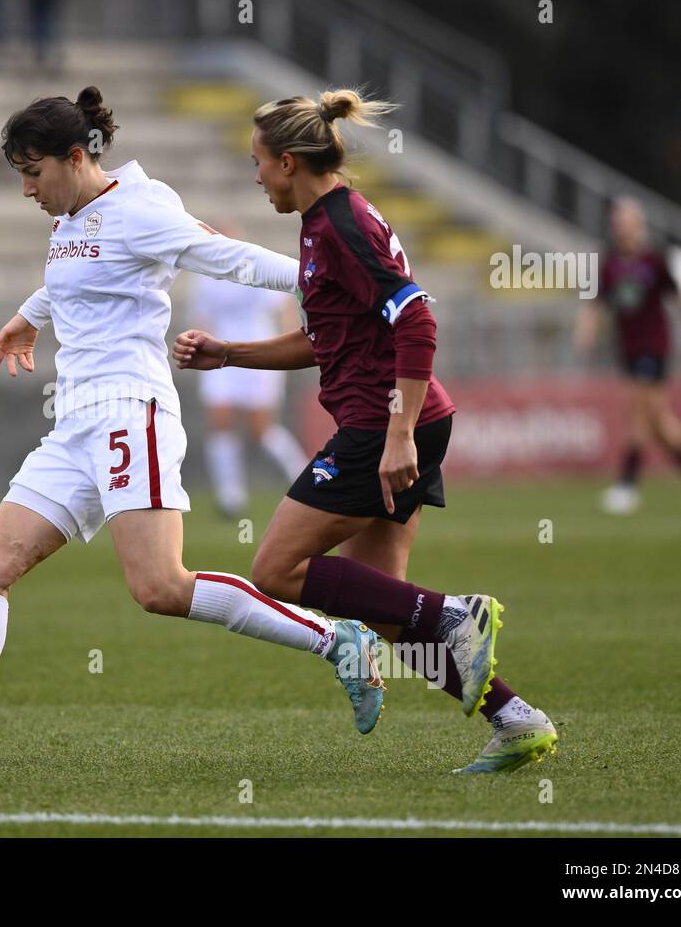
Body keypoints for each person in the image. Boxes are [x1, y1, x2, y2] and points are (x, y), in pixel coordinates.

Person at [0, 86, 392, 769]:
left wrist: (322, 280)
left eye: (34, 173)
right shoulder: (72, 215)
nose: (27, 190)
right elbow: (73, 272)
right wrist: (31, 313)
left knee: (160, 588)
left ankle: (337, 641)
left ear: (75, 155)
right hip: (75, 426)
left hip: (130, 415)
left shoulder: (140, 209)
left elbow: (230, 256)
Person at [175, 90, 557, 774]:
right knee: (389, 608)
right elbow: (328, 338)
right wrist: (230, 353)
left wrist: (398, 434)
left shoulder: (339, 226)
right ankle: (514, 717)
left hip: (385, 426)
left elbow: (417, 321)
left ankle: (456, 615)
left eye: (258, 163)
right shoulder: (330, 219)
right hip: (406, 421)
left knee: (274, 569)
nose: (255, 177)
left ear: (289, 162)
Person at [575, 197, 681, 514]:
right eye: (617, 222)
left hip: (653, 347)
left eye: (626, 221)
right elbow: (596, 303)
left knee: (638, 414)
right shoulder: (610, 263)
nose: (621, 228)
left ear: (638, 225)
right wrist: (586, 332)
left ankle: (627, 486)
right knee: (656, 420)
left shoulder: (654, 260)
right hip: (628, 348)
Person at [186, 227, 308, 518]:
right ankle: (230, 496)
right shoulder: (205, 276)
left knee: (260, 428)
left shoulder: (252, 265)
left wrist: (289, 346)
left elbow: (284, 306)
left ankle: (304, 477)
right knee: (220, 419)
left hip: (258, 350)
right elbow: (201, 315)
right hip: (219, 353)